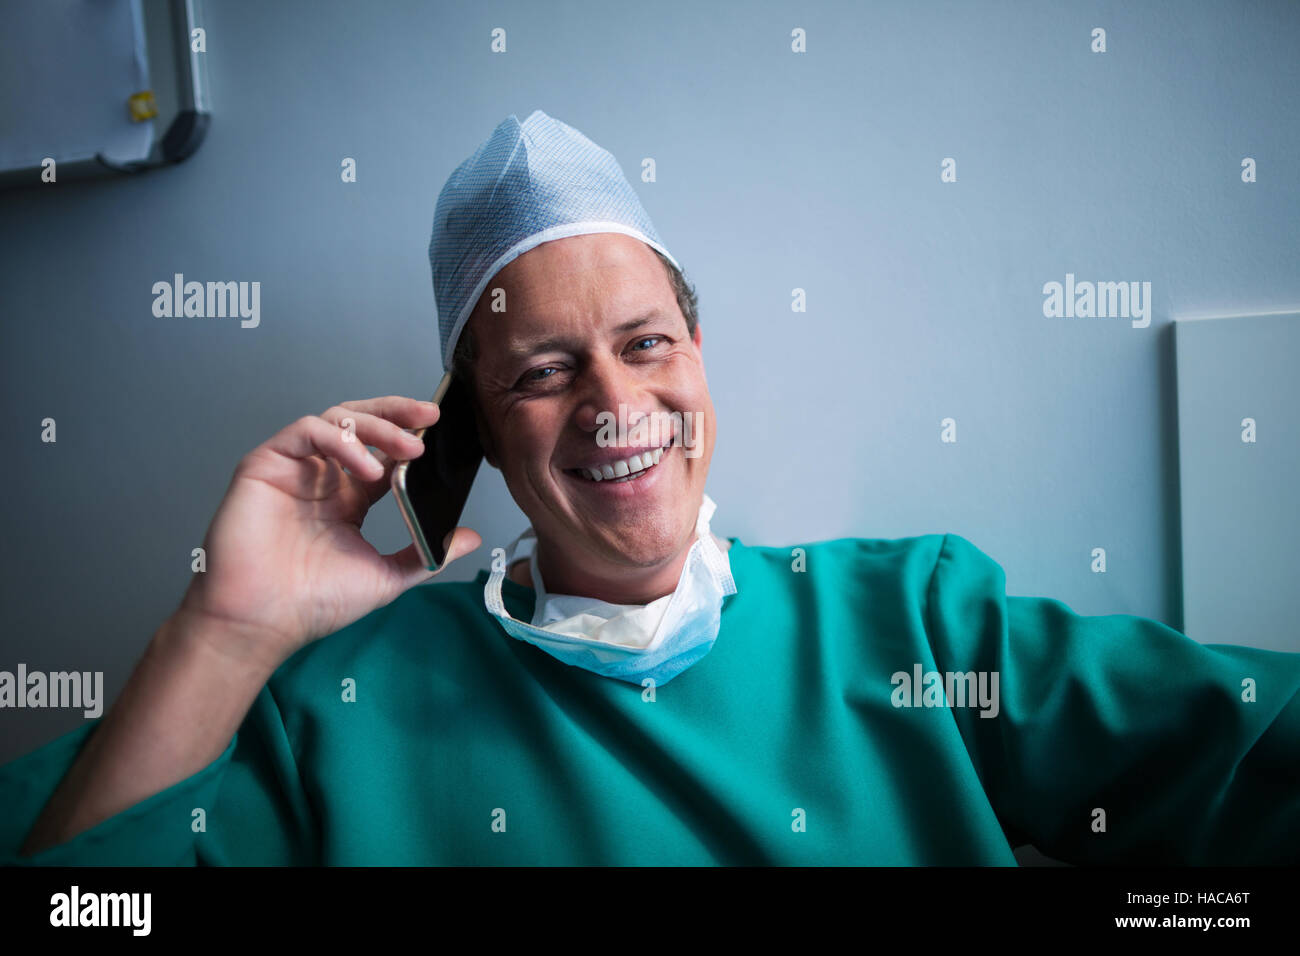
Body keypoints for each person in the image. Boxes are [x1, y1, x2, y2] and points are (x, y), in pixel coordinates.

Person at [3, 111, 1297, 866]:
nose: (617, 409)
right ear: (479, 439)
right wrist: (223, 635)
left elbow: (1247, 751)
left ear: (699, 361)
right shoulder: (334, 712)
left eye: (646, 345)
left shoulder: (916, 621)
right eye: (544, 374)